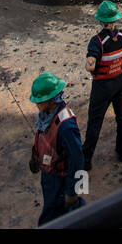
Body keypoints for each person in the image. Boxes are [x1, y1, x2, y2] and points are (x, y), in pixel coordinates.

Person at [82, 1, 122, 171]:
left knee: (95, 122)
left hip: (103, 86)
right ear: (116, 19)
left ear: (101, 21)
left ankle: (86, 159)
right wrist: (121, 58)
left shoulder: (97, 41)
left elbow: (90, 65)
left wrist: (94, 66)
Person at [28, 72, 85, 225]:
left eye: (39, 101)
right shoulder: (46, 116)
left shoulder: (65, 125)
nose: (36, 104)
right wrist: (35, 158)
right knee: (66, 210)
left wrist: (74, 191)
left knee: (51, 217)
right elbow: (42, 137)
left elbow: (78, 158)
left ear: (51, 100)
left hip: (60, 179)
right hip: (50, 175)